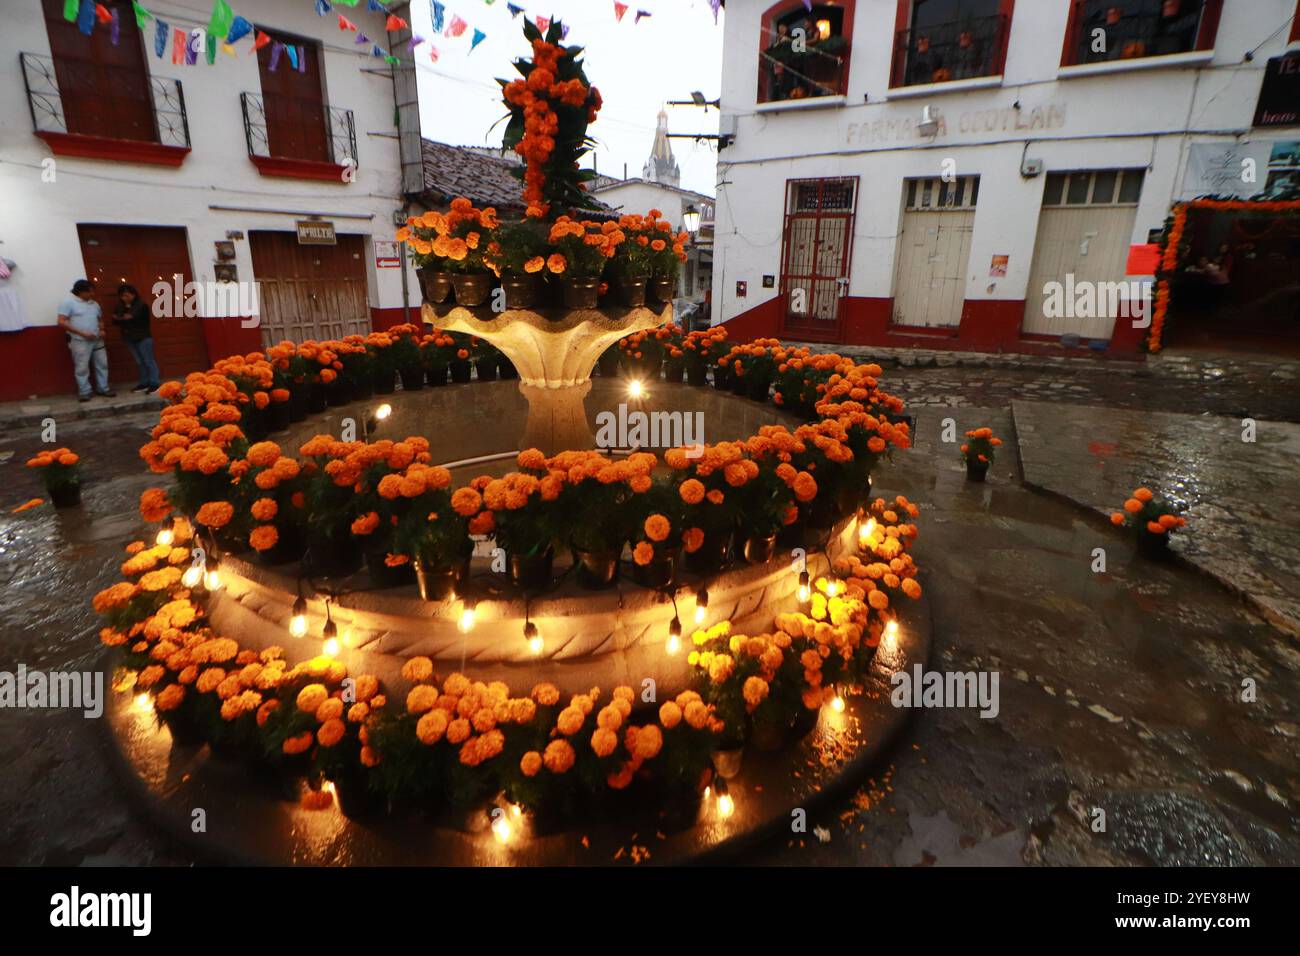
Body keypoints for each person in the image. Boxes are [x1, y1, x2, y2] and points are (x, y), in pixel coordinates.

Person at [58, 279, 115, 402]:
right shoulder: (68, 303)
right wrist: (81, 333)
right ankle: (85, 391)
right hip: (80, 340)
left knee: (102, 363)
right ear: (80, 292)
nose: (92, 294)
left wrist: (102, 329)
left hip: (97, 339)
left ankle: (103, 388)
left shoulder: (94, 304)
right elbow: (61, 322)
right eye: (89, 292)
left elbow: (99, 319)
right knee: (82, 366)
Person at [112, 283, 160, 392]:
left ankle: (154, 383)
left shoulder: (141, 305)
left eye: (128, 295)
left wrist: (128, 318)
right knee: (140, 361)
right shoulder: (120, 306)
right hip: (129, 337)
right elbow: (115, 320)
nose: (125, 298)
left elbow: (142, 320)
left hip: (143, 336)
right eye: (123, 296)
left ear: (134, 295)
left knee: (149, 360)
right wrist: (123, 318)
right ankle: (144, 382)